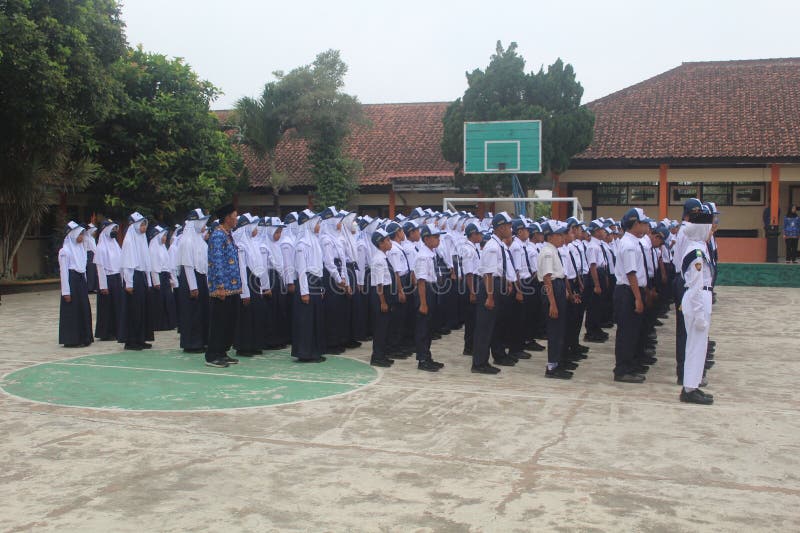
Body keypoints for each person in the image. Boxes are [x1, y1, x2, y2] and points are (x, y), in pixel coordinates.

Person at [472, 212, 517, 375]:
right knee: (484, 327)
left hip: (498, 285)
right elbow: (488, 274)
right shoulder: (492, 247)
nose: (511, 229)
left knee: (495, 325)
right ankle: (479, 363)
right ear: (501, 227)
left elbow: (503, 267)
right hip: (489, 287)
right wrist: (490, 296)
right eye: (509, 226)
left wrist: (509, 282)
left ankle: (497, 355)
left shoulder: (500, 245)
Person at [678, 210, 716, 405]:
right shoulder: (696, 252)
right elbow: (695, 285)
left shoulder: (699, 247)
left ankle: (692, 385)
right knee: (695, 346)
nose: (712, 229)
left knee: (699, 347)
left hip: (700, 298)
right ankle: (689, 389)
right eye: (710, 226)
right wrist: (700, 313)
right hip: (697, 300)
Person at [613, 208, 651, 383]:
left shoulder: (634, 242)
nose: (645, 227)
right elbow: (631, 273)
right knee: (627, 332)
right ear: (635, 224)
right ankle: (622, 369)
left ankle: (630, 365)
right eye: (643, 223)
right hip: (628, 291)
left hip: (633, 290)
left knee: (633, 331)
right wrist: (637, 297)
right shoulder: (628, 245)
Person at [205, 203, 242, 368]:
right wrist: (220, 285)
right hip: (222, 287)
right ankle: (213, 355)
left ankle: (222, 352)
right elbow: (217, 261)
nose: (236, 219)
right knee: (219, 322)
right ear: (227, 217)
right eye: (234, 216)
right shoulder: (218, 235)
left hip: (233, 287)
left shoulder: (228, 234)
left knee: (229, 322)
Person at [537, 221, 572, 379]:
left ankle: (557, 362)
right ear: (550, 236)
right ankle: (552, 366)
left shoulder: (553, 250)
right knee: (554, 329)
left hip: (557, 287)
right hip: (551, 289)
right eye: (559, 235)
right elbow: (547, 278)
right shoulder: (548, 252)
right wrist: (552, 303)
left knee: (559, 329)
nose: (562, 238)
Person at [292, 209, 327, 363]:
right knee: (306, 320)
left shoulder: (314, 240)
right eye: (317, 223)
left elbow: (319, 265)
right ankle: (305, 352)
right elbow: (301, 269)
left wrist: (320, 288)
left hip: (315, 283)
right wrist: (304, 292)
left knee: (315, 319)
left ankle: (315, 351)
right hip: (306, 283)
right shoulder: (302, 243)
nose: (319, 226)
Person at [233, 213, 270, 357]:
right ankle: (244, 346)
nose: (256, 229)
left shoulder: (252, 243)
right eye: (254, 226)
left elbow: (260, 266)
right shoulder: (241, 245)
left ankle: (255, 344)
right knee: (246, 317)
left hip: (255, 281)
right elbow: (242, 269)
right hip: (246, 283)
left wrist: (263, 286)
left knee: (257, 314)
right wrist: (244, 292)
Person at [413, 224, 446, 372]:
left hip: (432, 289)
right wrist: (423, 303)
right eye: (435, 237)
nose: (438, 240)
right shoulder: (422, 256)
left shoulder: (431, 254)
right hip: (425, 292)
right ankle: (422, 359)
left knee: (429, 327)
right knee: (423, 328)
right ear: (426, 239)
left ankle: (428, 356)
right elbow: (420, 281)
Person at [177, 209, 210, 354]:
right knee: (191, 312)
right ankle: (191, 343)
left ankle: (201, 340)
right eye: (202, 222)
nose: (204, 226)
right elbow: (188, 265)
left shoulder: (199, 240)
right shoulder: (187, 240)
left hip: (201, 277)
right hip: (191, 279)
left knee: (201, 311)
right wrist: (193, 286)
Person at [120, 212, 154, 351]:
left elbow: (146, 261)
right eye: (141, 224)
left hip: (142, 277)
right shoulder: (129, 240)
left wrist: (149, 280)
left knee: (142, 309)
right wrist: (128, 283)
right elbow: (127, 263)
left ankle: (141, 338)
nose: (144, 227)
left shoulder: (142, 239)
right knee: (134, 310)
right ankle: (131, 340)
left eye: (145, 224)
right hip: (133, 277)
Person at [58, 221, 93, 347]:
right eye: (79, 235)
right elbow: (64, 273)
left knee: (83, 308)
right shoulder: (65, 251)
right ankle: (72, 340)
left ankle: (84, 337)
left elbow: (82, 268)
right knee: (73, 311)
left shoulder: (81, 249)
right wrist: (66, 292)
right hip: (71, 281)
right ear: (72, 235)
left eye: (82, 235)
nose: (81, 237)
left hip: (80, 281)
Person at [94, 219, 125, 341]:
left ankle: (117, 330)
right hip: (107, 280)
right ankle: (106, 333)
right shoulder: (101, 247)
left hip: (116, 278)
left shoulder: (115, 244)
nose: (115, 232)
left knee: (117, 306)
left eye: (115, 229)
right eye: (112, 229)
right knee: (107, 307)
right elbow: (100, 268)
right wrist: (103, 286)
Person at [369, 228, 395, 367]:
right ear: (380, 243)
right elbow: (379, 283)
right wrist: (383, 302)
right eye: (387, 240)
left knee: (385, 328)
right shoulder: (378, 259)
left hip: (385, 293)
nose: (390, 242)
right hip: (380, 294)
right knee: (380, 328)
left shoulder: (383, 256)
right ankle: (377, 357)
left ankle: (382, 354)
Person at [148, 225, 177, 331]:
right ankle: (159, 324)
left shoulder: (163, 248)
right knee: (159, 302)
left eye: (166, 236)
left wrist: (171, 278)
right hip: (158, 277)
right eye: (163, 235)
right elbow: (153, 265)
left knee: (168, 300)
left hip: (165, 276)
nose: (165, 238)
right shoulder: (153, 248)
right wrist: (156, 280)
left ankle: (169, 323)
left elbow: (167, 264)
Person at [84, 223, 99, 293]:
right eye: (94, 231)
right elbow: (85, 248)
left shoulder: (92, 238)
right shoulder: (86, 238)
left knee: (94, 272)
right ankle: (89, 288)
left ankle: (94, 287)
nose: (95, 233)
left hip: (93, 255)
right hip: (89, 255)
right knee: (90, 273)